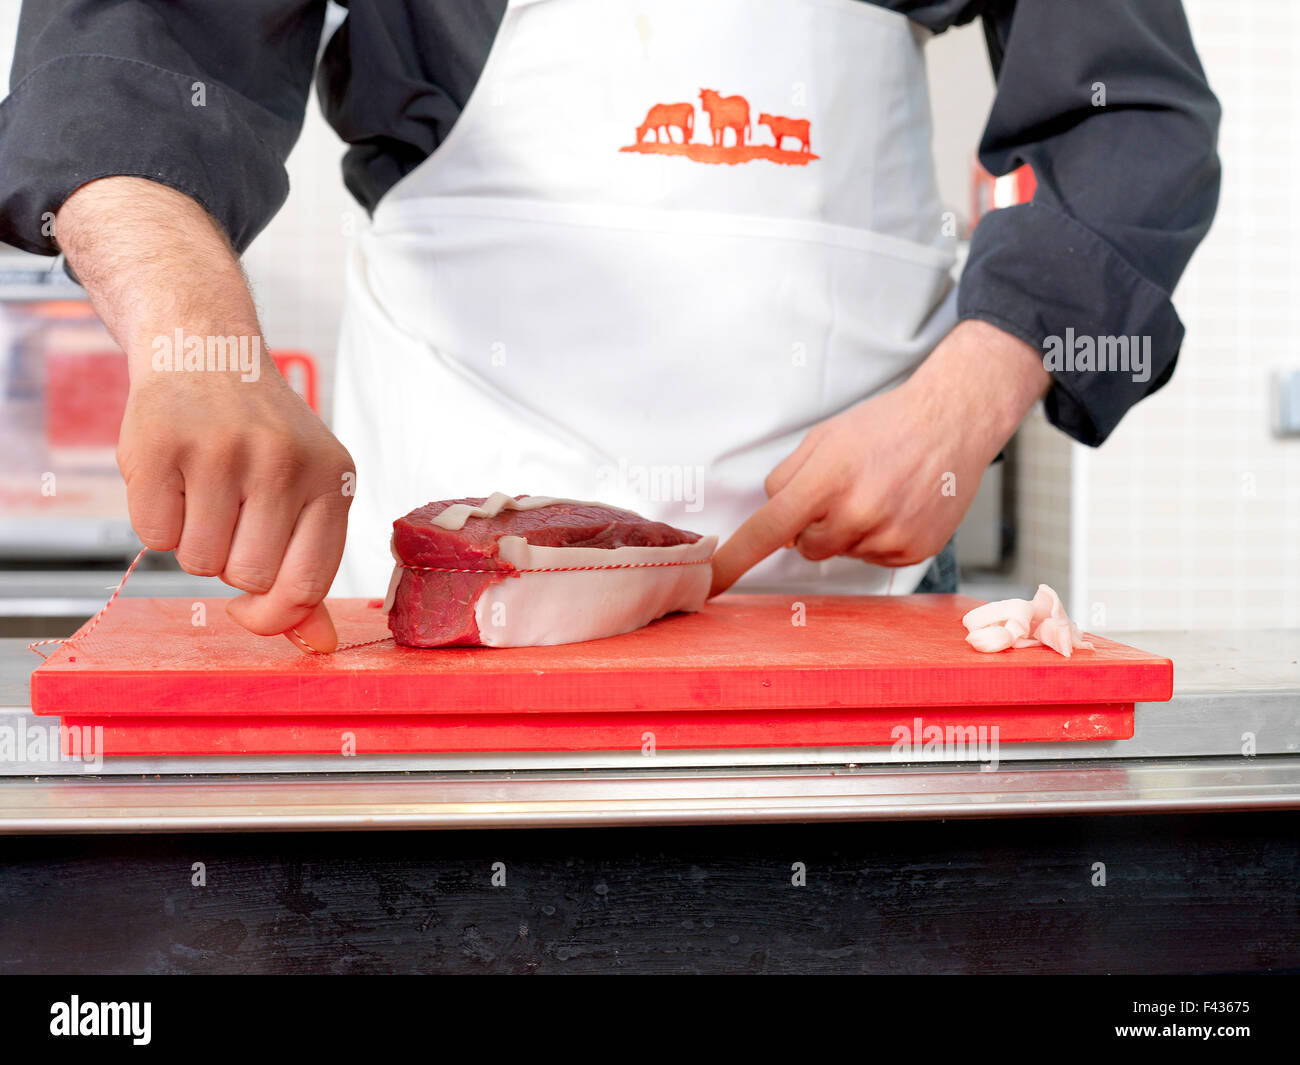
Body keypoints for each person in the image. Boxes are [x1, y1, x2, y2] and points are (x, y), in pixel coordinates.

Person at [0, 1, 1219, 653]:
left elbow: (1131, 102)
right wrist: (194, 336)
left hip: (859, 599)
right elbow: (133, 39)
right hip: (456, 591)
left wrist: (966, 400)